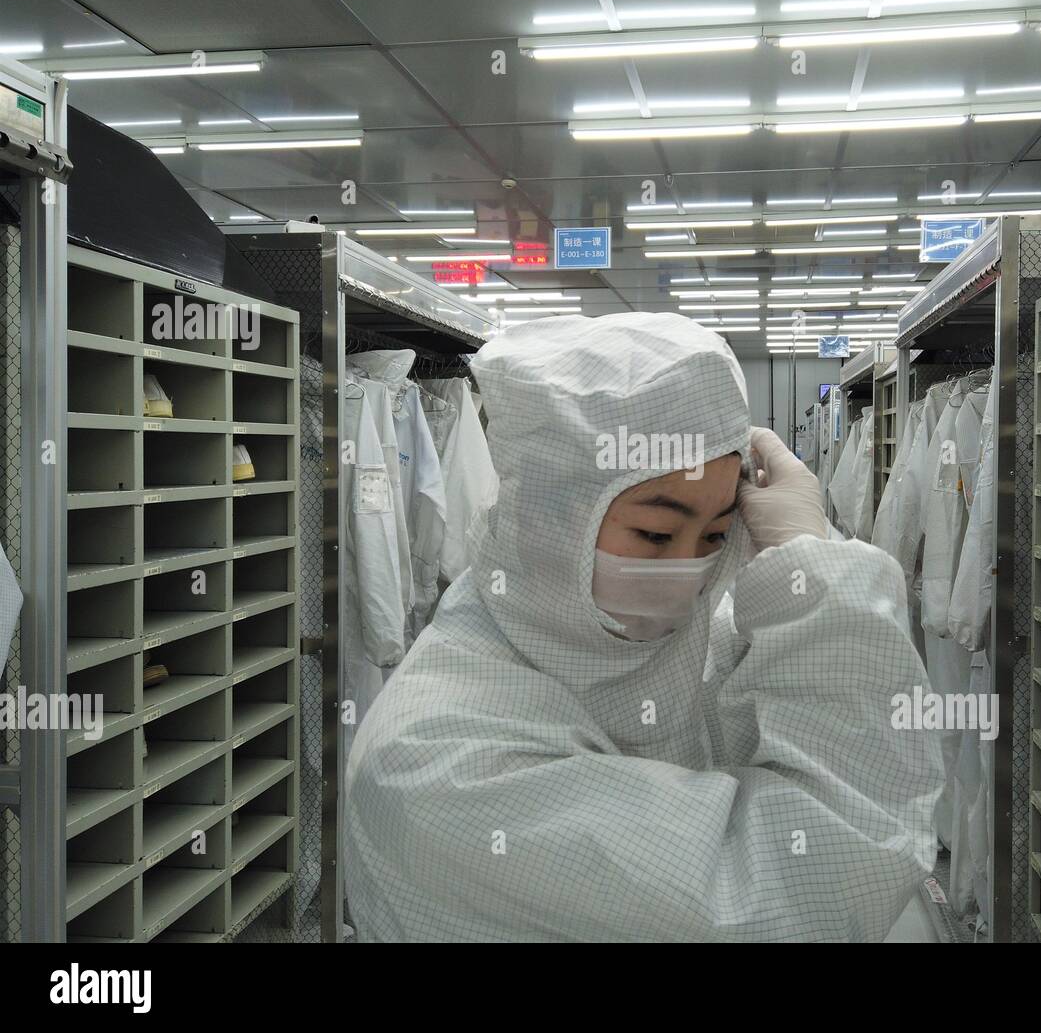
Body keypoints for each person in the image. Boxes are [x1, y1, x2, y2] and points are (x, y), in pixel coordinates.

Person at [344, 312, 944, 942]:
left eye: (716, 534)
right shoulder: (440, 767)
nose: (687, 571)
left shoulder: (682, 643)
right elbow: (809, 891)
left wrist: (798, 570)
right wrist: (825, 588)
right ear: (547, 518)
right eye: (656, 534)